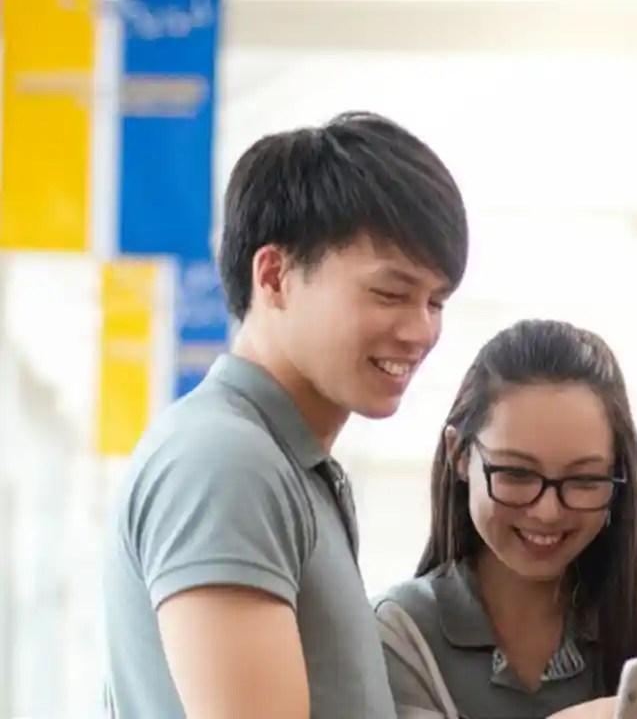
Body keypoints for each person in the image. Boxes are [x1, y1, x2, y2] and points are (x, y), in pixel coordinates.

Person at [101, 111, 468, 718]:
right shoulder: (226, 462)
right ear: (274, 276)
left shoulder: (285, 463)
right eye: (390, 293)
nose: (421, 330)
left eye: (436, 301)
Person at [375, 319, 637, 719]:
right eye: (517, 474)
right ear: (459, 456)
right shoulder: (401, 632)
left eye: (584, 479)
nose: (548, 511)